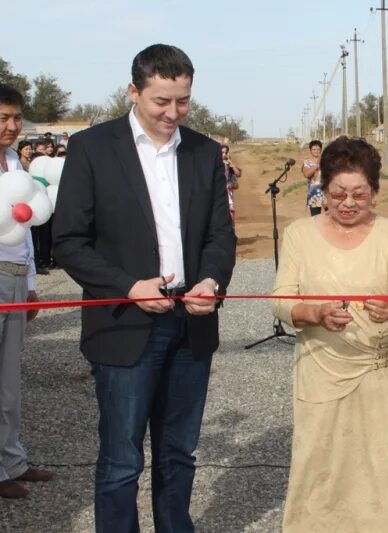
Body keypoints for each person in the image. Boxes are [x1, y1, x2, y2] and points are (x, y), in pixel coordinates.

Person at [52, 44, 236, 531]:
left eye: (183, 101)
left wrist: (211, 281)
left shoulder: (202, 151)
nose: (173, 113)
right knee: (121, 459)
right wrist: (128, 285)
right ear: (133, 91)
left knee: (179, 452)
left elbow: (221, 233)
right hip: (125, 326)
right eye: (161, 101)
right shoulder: (92, 148)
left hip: (190, 325)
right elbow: (68, 241)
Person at [272, 135, 388, 532]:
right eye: (338, 194)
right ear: (323, 188)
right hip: (318, 369)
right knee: (318, 459)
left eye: (360, 194)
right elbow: (281, 299)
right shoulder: (299, 234)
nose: (348, 203)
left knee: (375, 461)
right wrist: (313, 312)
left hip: (376, 370)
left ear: (375, 191)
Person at [0, 84, 53, 501]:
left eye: (16, 117)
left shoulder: (15, 162)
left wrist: (32, 284)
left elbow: (26, 228)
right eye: (3, 118)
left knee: (10, 379)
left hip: (16, 276)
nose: (12, 126)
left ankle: (12, 460)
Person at [302, 139, 324, 216]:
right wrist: (316, 166)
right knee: (315, 218)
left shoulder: (326, 161)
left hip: (327, 193)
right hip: (314, 194)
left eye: (318, 149)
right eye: (314, 149)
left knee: (330, 218)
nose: (316, 151)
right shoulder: (307, 162)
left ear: (321, 150)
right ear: (310, 150)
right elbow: (306, 174)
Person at [221, 144, 241, 221]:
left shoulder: (229, 167)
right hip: (218, 201)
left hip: (229, 200)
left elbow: (238, 175)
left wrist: (230, 162)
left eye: (225, 153)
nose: (224, 155)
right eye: (222, 153)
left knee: (230, 222)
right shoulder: (213, 166)